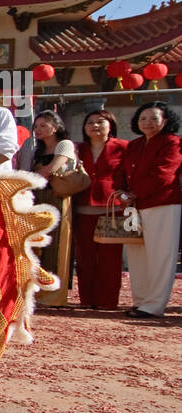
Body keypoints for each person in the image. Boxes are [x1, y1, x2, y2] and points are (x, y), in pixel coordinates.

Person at [113, 102, 182, 318]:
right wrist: (121, 191)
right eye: (143, 118)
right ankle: (141, 300)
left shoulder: (172, 142)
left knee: (160, 254)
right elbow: (121, 170)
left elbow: (165, 174)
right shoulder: (134, 145)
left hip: (162, 203)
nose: (148, 123)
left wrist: (134, 193)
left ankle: (154, 305)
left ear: (166, 120)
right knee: (136, 254)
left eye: (154, 118)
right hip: (135, 206)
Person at [72, 109, 127, 310]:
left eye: (100, 122)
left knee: (110, 258)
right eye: (90, 122)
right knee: (84, 257)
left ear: (110, 125)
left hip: (112, 209)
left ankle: (107, 301)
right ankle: (86, 300)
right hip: (82, 207)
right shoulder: (78, 148)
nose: (95, 126)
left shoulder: (123, 147)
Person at [24, 109, 77, 291]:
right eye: (36, 126)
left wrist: (26, 180)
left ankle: (56, 292)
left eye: (43, 125)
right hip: (39, 198)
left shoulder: (64, 145)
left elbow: (51, 169)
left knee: (56, 244)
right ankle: (39, 288)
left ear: (55, 127)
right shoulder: (37, 150)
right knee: (40, 243)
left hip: (57, 198)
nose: (38, 129)